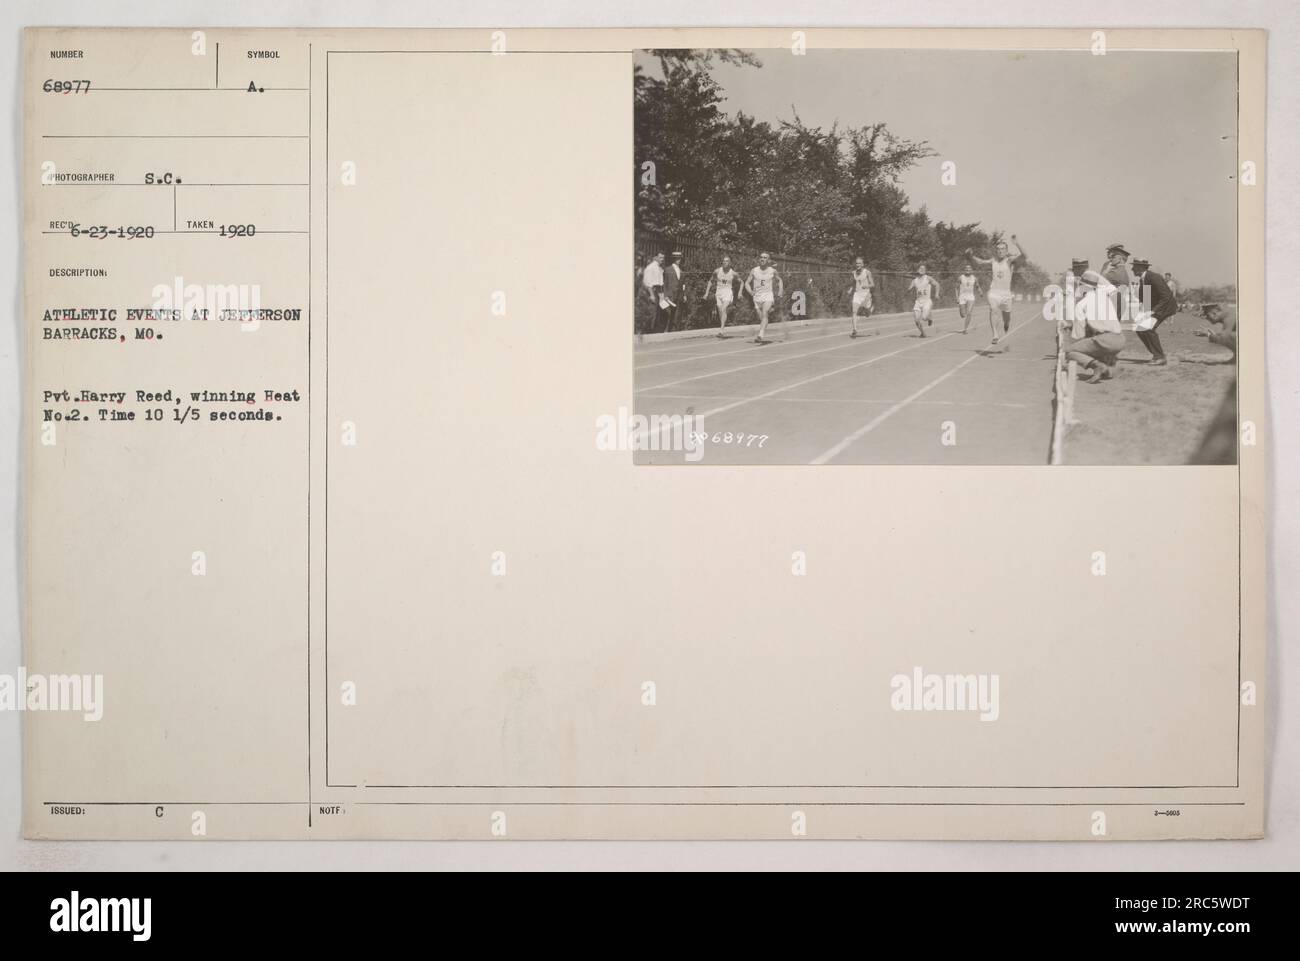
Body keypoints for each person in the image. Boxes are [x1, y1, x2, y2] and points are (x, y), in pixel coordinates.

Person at [1067, 268, 1127, 382]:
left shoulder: (1081, 304)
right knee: (1094, 346)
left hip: (1105, 341)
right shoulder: (1106, 299)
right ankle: (1107, 370)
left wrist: (1073, 331)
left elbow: (1079, 335)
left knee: (1069, 351)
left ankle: (1097, 366)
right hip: (1120, 339)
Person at [967, 234, 1027, 347]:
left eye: (1002, 249)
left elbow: (1024, 255)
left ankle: (1006, 323)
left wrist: (1017, 243)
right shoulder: (993, 260)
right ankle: (995, 334)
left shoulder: (1009, 260)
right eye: (998, 249)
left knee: (1006, 318)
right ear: (996, 251)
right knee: (993, 310)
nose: (1000, 251)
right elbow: (980, 262)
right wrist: (971, 256)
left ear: (1006, 250)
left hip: (1006, 295)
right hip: (994, 292)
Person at [1130, 257, 1178, 365]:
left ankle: (1159, 357)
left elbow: (1166, 297)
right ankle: (1157, 354)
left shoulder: (1154, 277)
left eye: (1134, 266)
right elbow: (1146, 298)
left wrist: (1152, 312)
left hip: (1165, 307)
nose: (1132, 269)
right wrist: (1143, 313)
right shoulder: (1144, 278)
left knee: (1147, 328)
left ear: (1141, 268)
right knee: (1139, 327)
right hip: (1156, 307)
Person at [744, 252, 784, 344]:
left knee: (765, 313)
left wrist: (780, 290)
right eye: (761, 257)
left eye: (765, 257)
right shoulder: (754, 270)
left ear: (768, 260)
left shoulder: (772, 271)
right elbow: (746, 283)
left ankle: (760, 335)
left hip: (767, 295)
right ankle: (765, 321)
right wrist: (750, 291)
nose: (762, 259)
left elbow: (779, 280)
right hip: (757, 297)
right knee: (762, 318)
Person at [702, 255, 740, 338]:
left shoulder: (733, 273)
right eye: (723, 261)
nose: (724, 262)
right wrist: (706, 293)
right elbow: (710, 281)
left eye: (726, 261)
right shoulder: (717, 271)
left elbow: (741, 282)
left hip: (728, 292)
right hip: (718, 293)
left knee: (723, 309)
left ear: (730, 263)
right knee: (720, 311)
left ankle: (721, 330)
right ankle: (722, 326)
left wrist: (739, 292)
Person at [908, 265, 939, 337]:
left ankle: (929, 318)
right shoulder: (914, 280)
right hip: (918, 302)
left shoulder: (928, 278)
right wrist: (908, 290)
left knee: (924, 318)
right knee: (916, 320)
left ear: (925, 271)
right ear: (917, 270)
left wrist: (936, 294)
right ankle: (923, 333)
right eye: (920, 268)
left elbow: (937, 284)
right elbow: (909, 288)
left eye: (923, 268)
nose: (921, 269)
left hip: (927, 301)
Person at [848, 257, 875, 338]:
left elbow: (872, 284)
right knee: (854, 311)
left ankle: (870, 309)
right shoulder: (853, 273)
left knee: (867, 314)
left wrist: (866, 286)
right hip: (857, 294)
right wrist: (850, 290)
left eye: (859, 263)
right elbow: (853, 283)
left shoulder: (867, 272)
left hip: (866, 295)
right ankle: (855, 330)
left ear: (863, 264)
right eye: (856, 263)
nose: (858, 265)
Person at [659, 251, 685, 333]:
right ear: (673, 259)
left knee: (678, 314)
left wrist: (684, 295)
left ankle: (675, 331)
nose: (678, 260)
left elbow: (683, 284)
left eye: (679, 258)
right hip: (670, 296)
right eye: (676, 258)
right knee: (669, 314)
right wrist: (665, 295)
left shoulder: (682, 271)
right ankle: (666, 330)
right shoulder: (667, 269)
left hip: (679, 295)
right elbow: (664, 283)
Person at [641, 252, 665, 334]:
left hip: (657, 292)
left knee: (657, 312)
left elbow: (660, 283)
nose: (662, 259)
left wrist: (661, 296)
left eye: (663, 258)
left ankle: (654, 331)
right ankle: (648, 332)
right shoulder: (650, 267)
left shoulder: (659, 268)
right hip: (651, 292)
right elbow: (648, 283)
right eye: (660, 257)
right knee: (652, 313)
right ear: (655, 257)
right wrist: (651, 295)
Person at [956, 264, 981, 334]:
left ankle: (965, 329)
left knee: (969, 313)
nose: (968, 270)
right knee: (963, 315)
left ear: (971, 270)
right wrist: (957, 298)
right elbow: (956, 288)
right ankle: (962, 310)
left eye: (969, 269)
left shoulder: (974, 278)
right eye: (966, 269)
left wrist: (980, 291)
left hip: (971, 297)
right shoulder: (960, 277)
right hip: (962, 297)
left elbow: (977, 286)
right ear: (964, 270)